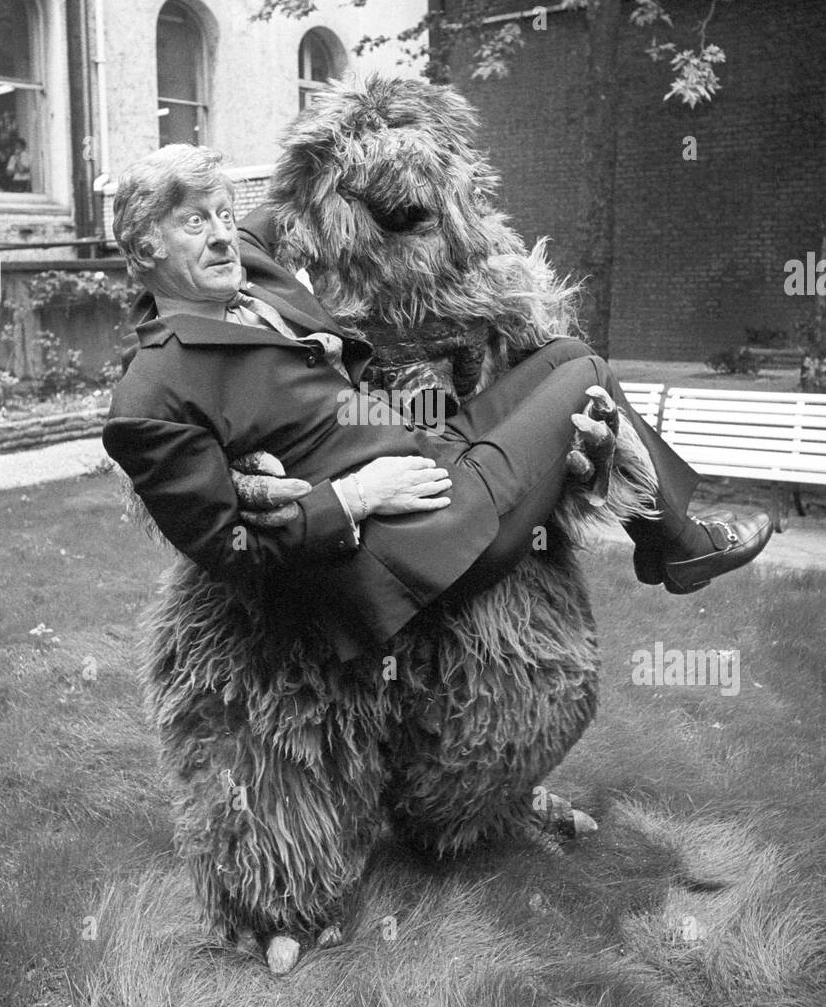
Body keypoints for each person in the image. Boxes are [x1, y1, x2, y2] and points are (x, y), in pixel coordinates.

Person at [102, 145, 772, 664]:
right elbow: (230, 548)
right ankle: (678, 544)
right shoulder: (153, 394)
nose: (222, 234)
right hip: (424, 542)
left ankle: (668, 542)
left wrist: (387, 154)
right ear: (143, 248)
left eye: (223, 214)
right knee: (588, 372)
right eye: (194, 221)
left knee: (566, 355)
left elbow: (312, 185)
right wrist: (356, 497)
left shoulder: (243, 263)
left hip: (435, 452)